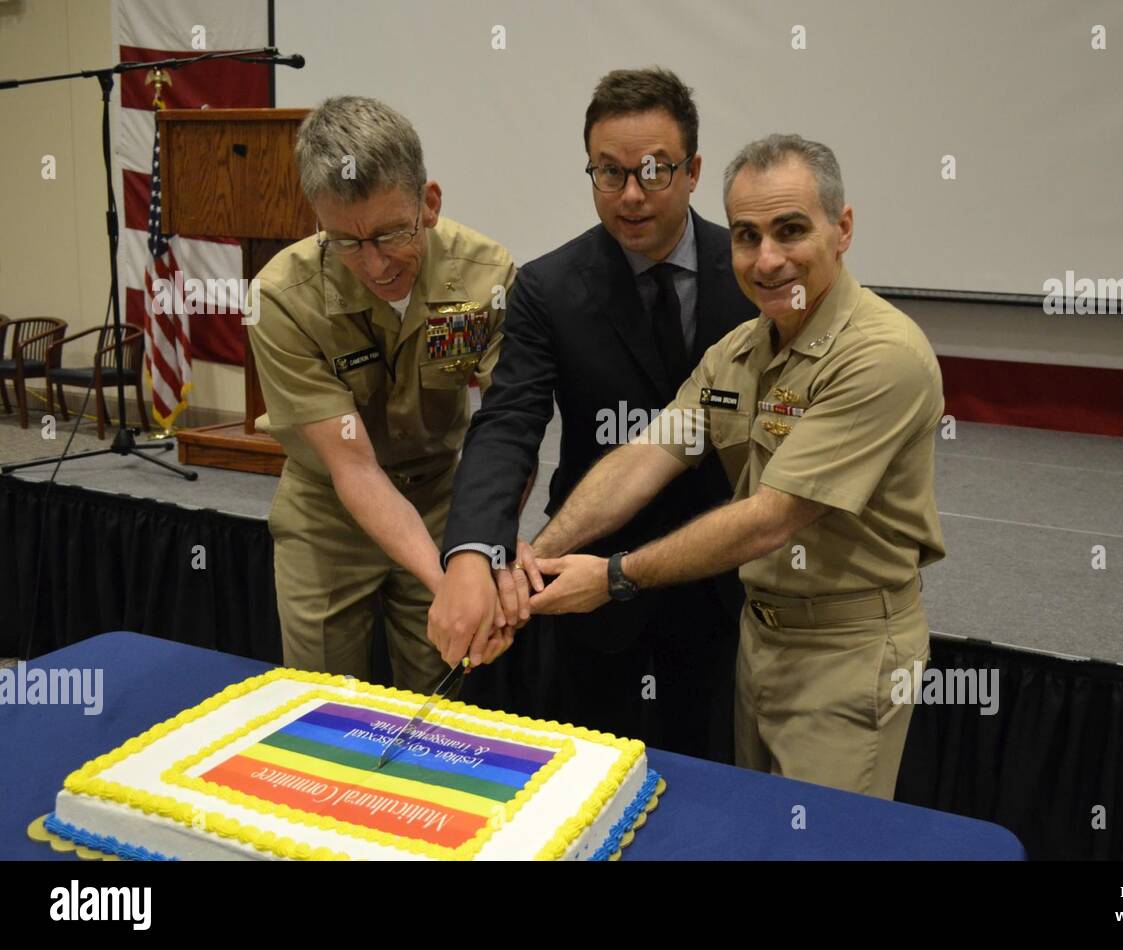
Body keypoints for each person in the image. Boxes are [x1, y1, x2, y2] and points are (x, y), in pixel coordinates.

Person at [524, 134, 946, 799]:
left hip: (849, 652)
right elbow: (647, 455)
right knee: (762, 834)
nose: (767, 259)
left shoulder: (881, 355)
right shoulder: (739, 351)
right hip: (760, 636)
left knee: (818, 849)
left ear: (843, 229)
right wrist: (537, 557)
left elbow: (769, 521)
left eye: (790, 231)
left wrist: (614, 576)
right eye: (747, 236)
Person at [430, 68, 753, 762]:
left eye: (653, 171)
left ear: (693, 170)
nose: (631, 195)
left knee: (713, 785)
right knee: (586, 782)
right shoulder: (549, 287)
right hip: (590, 589)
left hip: (728, 583)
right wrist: (474, 550)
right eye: (609, 173)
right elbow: (509, 422)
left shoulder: (752, 272)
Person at [247, 96, 516, 692]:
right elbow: (354, 467)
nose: (374, 263)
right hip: (329, 514)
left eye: (391, 233)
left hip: (444, 499)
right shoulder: (282, 297)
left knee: (440, 695)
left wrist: (480, 550)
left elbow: (508, 428)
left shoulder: (486, 277)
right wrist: (447, 580)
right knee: (321, 702)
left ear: (430, 203)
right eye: (345, 241)